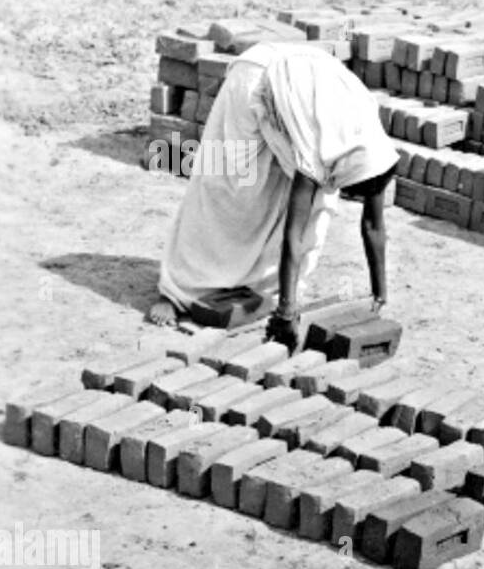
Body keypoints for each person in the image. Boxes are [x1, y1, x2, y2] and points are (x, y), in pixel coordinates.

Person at [147, 42, 399, 352]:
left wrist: (379, 294)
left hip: (303, 92)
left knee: (318, 203)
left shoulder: (377, 159)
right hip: (257, 80)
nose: (348, 194)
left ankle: (272, 293)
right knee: (231, 188)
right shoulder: (321, 156)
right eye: (351, 191)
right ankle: (177, 292)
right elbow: (294, 235)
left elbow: (374, 226)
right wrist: (287, 315)